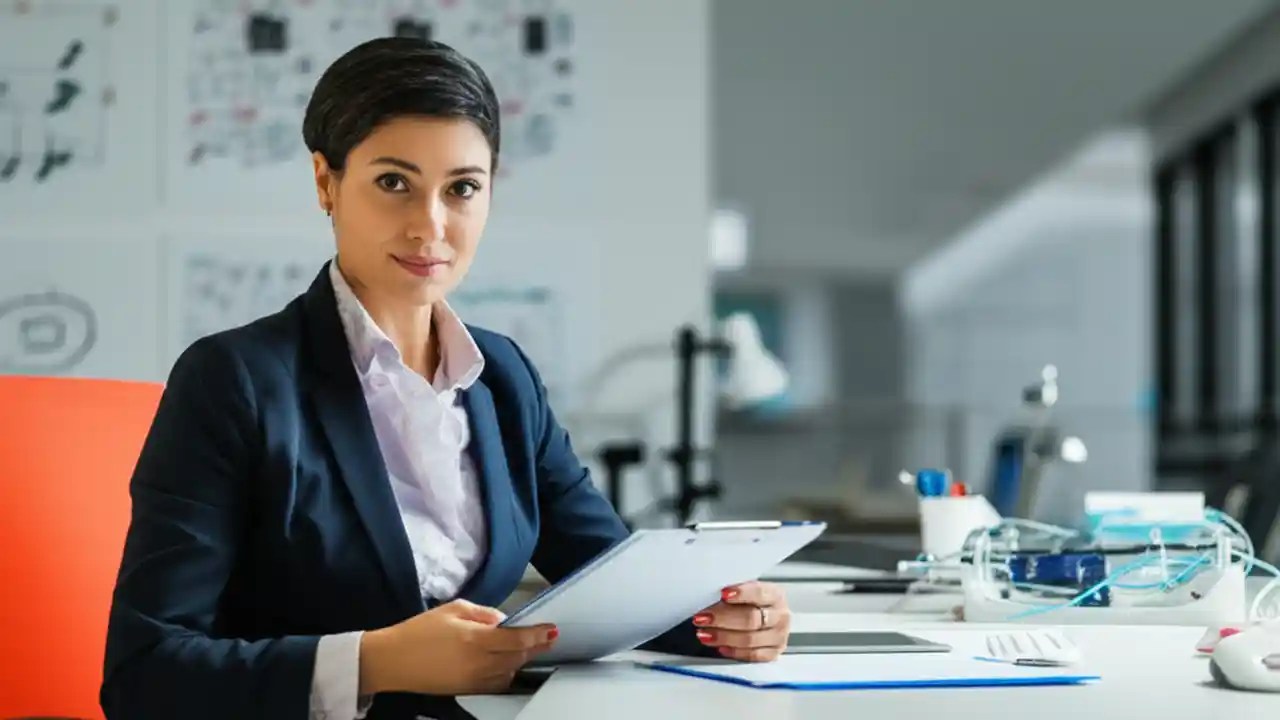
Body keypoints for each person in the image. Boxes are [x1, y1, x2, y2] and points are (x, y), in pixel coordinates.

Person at [100, 37, 792, 720]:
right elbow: (145, 673)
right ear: (326, 182)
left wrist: (720, 616)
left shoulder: (502, 379)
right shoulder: (235, 381)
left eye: (462, 189)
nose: (430, 226)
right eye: (394, 183)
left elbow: (608, 583)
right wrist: (377, 660)